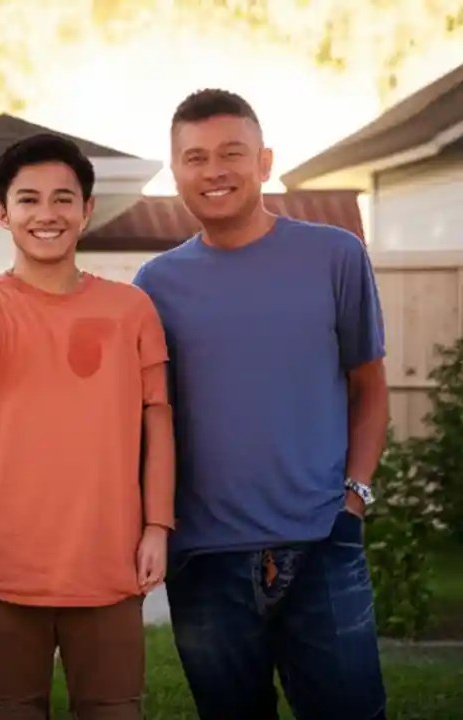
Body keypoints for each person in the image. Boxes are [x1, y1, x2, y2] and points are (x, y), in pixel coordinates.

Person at [132, 89, 389, 720]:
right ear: (176, 172)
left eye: (231, 153)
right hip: (204, 560)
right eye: (195, 157)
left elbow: (370, 388)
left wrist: (354, 501)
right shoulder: (155, 286)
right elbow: (142, 417)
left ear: (265, 160)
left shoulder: (335, 256)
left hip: (322, 544)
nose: (213, 170)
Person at [0, 133, 176, 720]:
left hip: (107, 566)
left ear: (87, 209)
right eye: (29, 200)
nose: (47, 214)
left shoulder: (130, 309)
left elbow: (157, 420)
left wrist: (157, 525)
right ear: (4, 214)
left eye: (64, 198)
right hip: (3, 571)